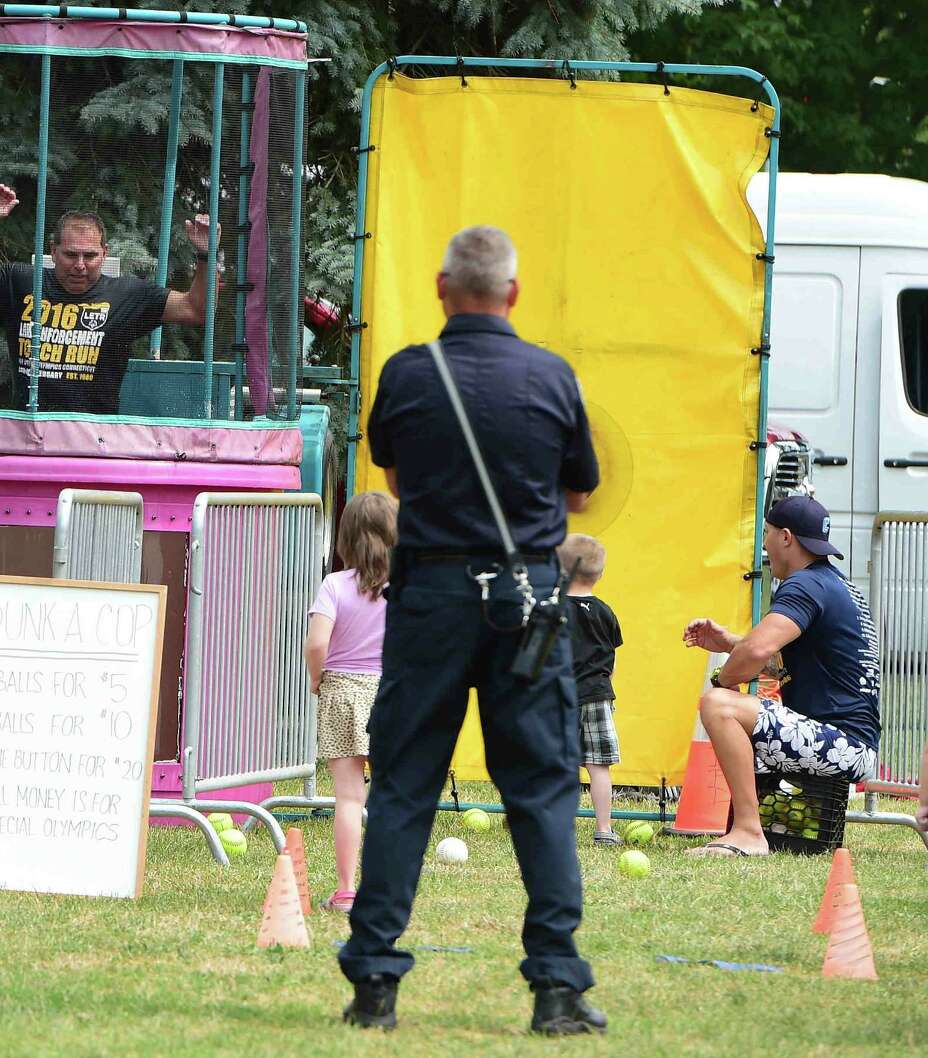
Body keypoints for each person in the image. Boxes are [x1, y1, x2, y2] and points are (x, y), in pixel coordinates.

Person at [337, 225, 605, 1036]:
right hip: (527, 601)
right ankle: (556, 990)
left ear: (441, 287)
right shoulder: (552, 375)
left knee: (406, 787)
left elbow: (393, 478)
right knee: (542, 793)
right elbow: (581, 499)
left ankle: (375, 987)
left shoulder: (409, 373)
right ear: (513, 294)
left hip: (431, 600)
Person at [683, 495, 880, 858]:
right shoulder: (832, 583)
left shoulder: (804, 584)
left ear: (786, 537)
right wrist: (731, 644)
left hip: (842, 745)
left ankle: (748, 832)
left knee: (718, 705)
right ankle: (752, 826)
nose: (764, 543)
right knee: (731, 709)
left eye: (768, 533)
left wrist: (724, 683)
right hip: (851, 745)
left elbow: (757, 653)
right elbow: (783, 662)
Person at [0, 183, 215, 414]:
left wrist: (206, 255)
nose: (80, 265)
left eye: (90, 256)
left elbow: (196, 309)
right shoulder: (21, 282)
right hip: (29, 432)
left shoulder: (128, 294)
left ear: (104, 253)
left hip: (93, 439)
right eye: (71, 254)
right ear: (53, 250)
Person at [303, 491, 398, 913]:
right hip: (391, 692)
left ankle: (345, 891)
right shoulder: (404, 591)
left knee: (348, 798)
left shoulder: (334, 585)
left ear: (345, 538)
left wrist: (317, 678)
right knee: (393, 796)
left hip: (341, 689)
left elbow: (317, 643)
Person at [557, 534, 624, 846]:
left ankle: (559, 829)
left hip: (559, 697)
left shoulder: (554, 611)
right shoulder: (606, 612)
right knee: (599, 767)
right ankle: (604, 829)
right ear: (600, 574)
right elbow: (611, 660)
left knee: (562, 766)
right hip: (598, 694)